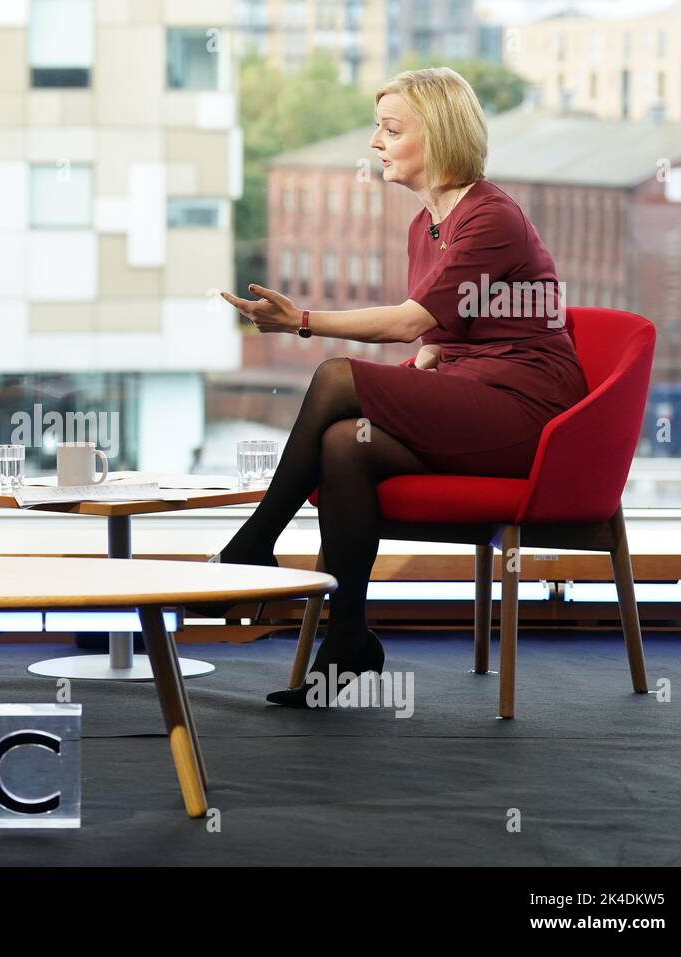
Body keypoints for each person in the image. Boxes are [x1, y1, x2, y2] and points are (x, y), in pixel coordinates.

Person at [216, 67, 589, 708]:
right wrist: (417, 373)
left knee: (336, 375)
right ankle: (349, 640)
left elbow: (408, 322)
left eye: (390, 130)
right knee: (345, 444)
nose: (375, 143)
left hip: (529, 413)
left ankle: (253, 545)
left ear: (438, 135)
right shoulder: (426, 226)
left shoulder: (492, 217)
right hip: (474, 399)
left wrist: (301, 320)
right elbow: (440, 336)